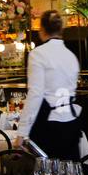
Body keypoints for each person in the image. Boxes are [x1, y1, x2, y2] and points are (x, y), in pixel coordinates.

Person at [18, 10, 81, 159]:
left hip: (49, 125)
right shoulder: (71, 56)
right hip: (71, 122)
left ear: (42, 30)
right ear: (61, 30)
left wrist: (22, 132)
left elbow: (35, 94)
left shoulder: (38, 54)